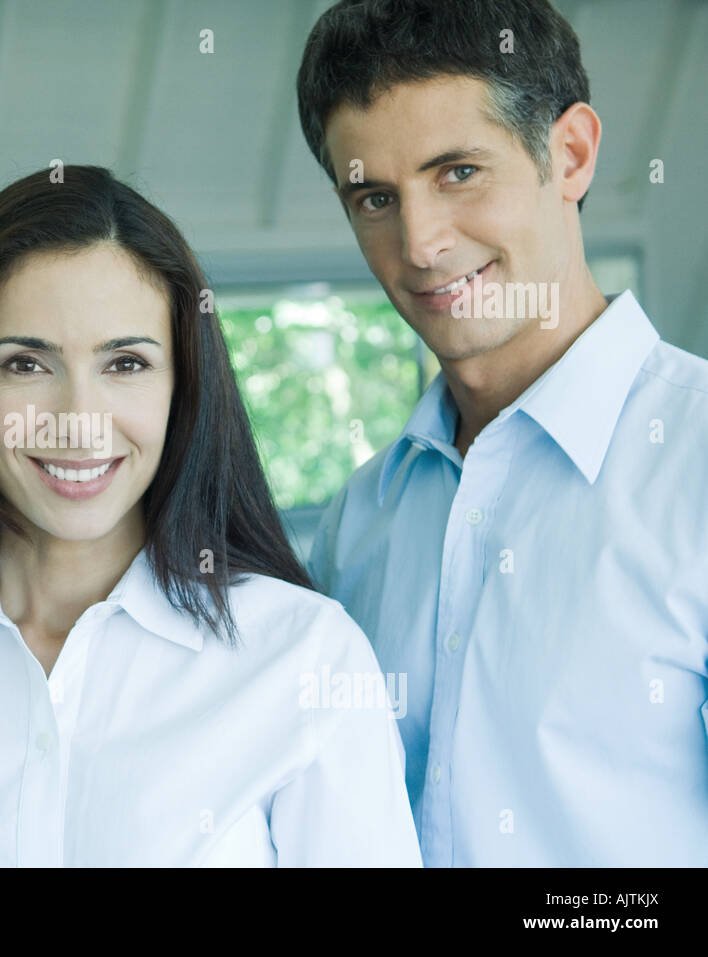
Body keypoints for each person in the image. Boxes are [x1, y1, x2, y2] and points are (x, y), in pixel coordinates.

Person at [0, 165, 421, 867]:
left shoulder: (304, 660)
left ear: (184, 387)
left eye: (126, 364)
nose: (79, 422)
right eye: (26, 364)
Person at [297, 0, 708, 865]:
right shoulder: (353, 524)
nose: (420, 243)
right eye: (375, 197)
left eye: (457, 173)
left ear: (570, 155)